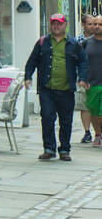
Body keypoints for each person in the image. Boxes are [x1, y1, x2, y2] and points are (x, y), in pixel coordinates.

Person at [24, 12, 88, 162]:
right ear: (50, 25)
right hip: (47, 89)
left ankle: (64, 149)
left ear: (65, 25)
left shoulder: (74, 44)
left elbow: (83, 62)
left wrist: (82, 78)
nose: (56, 26)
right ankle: (49, 149)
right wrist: (28, 77)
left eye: (59, 23)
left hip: (66, 90)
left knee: (66, 121)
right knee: (47, 117)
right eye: (54, 23)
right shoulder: (42, 42)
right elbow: (32, 61)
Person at [82, 15, 102, 148]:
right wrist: (82, 78)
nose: (96, 27)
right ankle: (97, 134)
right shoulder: (86, 43)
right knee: (94, 112)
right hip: (92, 84)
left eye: (100, 24)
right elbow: (80, 62)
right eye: (94, 24)